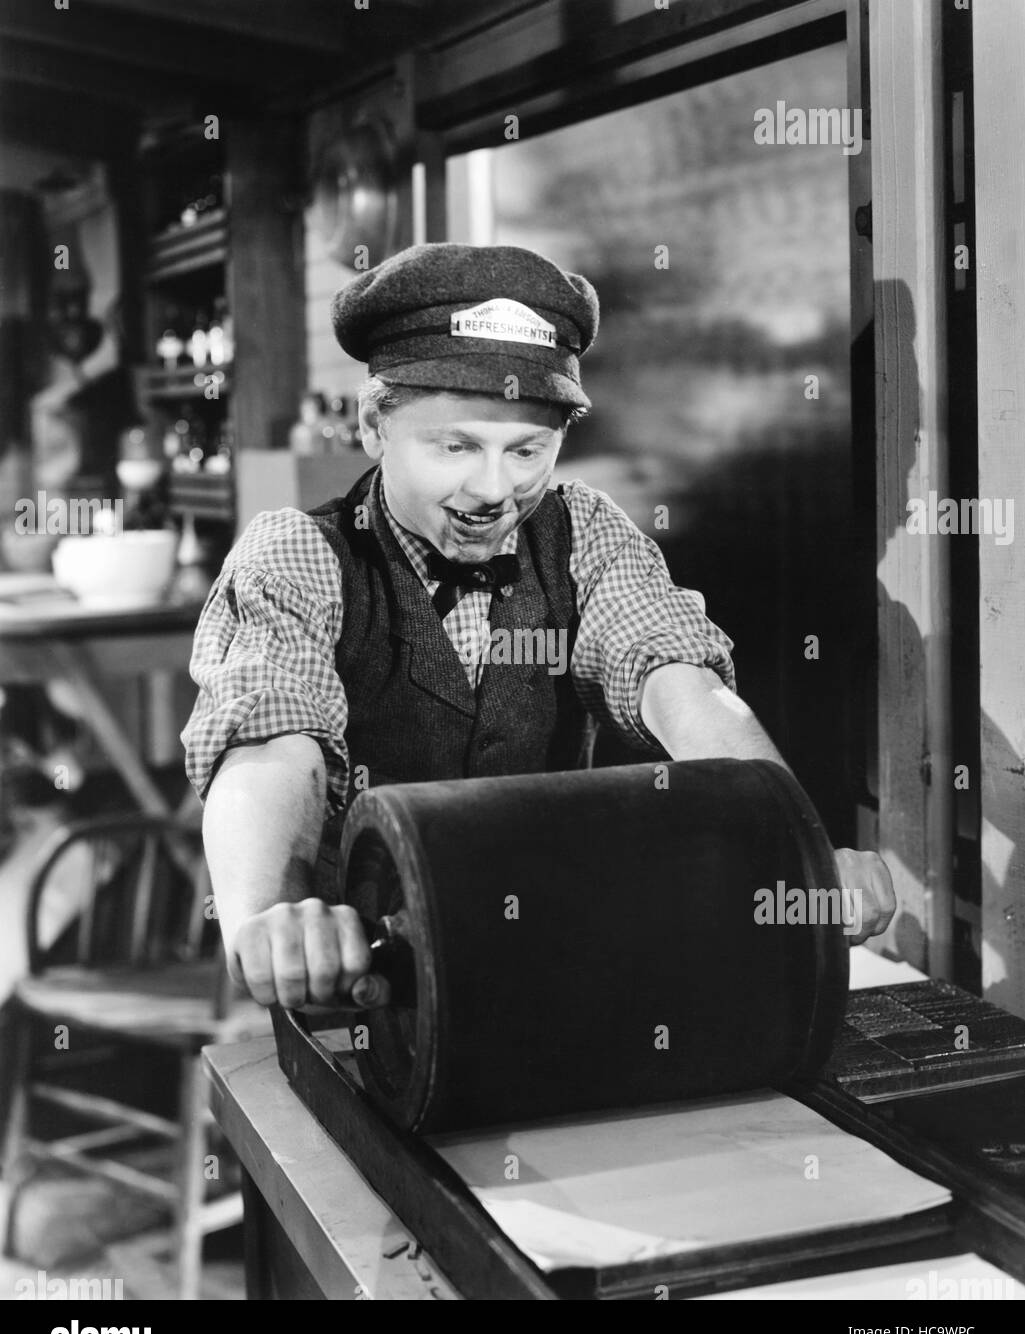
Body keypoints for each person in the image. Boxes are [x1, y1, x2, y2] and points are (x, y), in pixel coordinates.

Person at [182, 242, 896, 1009]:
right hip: (358, 991)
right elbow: (272, 738)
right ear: (372, 424)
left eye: (527, 450)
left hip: (554, 958)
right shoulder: (297, 553)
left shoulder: (583, 528)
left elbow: (675, 677)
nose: (493, 489)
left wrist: (793, 849)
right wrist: (270, 923)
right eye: (455, 446)